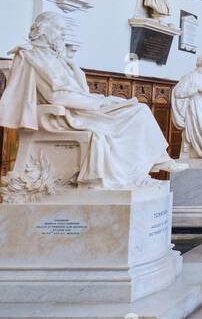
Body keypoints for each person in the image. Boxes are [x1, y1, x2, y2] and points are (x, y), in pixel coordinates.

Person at [0, 12, 174, 189]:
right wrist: (97, 104)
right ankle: (133, 176)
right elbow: (55, 96)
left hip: (82, 104)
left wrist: (77, 73)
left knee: (140, 108)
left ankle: (144, 170)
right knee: (132, 116)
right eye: (60, 29)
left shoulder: (56, 57)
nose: (62, 33)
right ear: (45, 30)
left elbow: (79, 89)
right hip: (66, 115)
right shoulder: (31, 57)